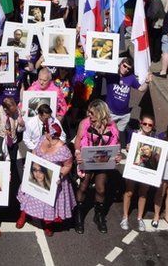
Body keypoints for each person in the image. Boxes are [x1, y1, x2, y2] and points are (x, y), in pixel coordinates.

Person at [16, 121, 75, 236]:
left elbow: (68, 165)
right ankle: (23, 216)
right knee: (28, 197)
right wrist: (29, 163)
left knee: (49, 204)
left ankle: (48, 224)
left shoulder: (64, 149)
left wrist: (60, 175)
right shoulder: (42, 139)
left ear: (50, 133)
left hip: (51, 181)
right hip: (35, 175)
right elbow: (34, 152)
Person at [74, 99, 120, 234]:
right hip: (87, 159)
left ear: (101, 114)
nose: (89, 115)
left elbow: (116, 144)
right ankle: (79, 215)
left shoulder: (112, 126)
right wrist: (77, 152)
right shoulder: (84, 123)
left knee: (100, 189)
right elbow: (78, 139)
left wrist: (118, 155)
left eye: (92, 113)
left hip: (103, 161)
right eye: (88, 112)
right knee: (83, 186)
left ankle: (99, 215)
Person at [121, 113, 157, 231]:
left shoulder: (155, 139)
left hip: (147, 170)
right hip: (134, 167)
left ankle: (139, 218)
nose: (147, 126)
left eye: (150, 125)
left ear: (153, 126)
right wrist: (128, 147)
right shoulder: (134, 134)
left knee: (143, 193)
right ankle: (125, 217)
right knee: (129, 192)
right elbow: (126, 147)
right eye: (144, 124)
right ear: (140, 123)